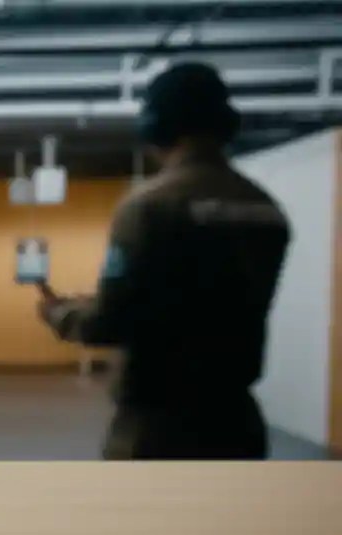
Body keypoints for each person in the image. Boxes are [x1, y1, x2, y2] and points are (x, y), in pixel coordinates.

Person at [38, 62, 289, 460]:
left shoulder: (150, 206)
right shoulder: (266, 209)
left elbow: (111, 321)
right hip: (236, 421)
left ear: (155, 126)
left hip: (160, 427)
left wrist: (59, 313)